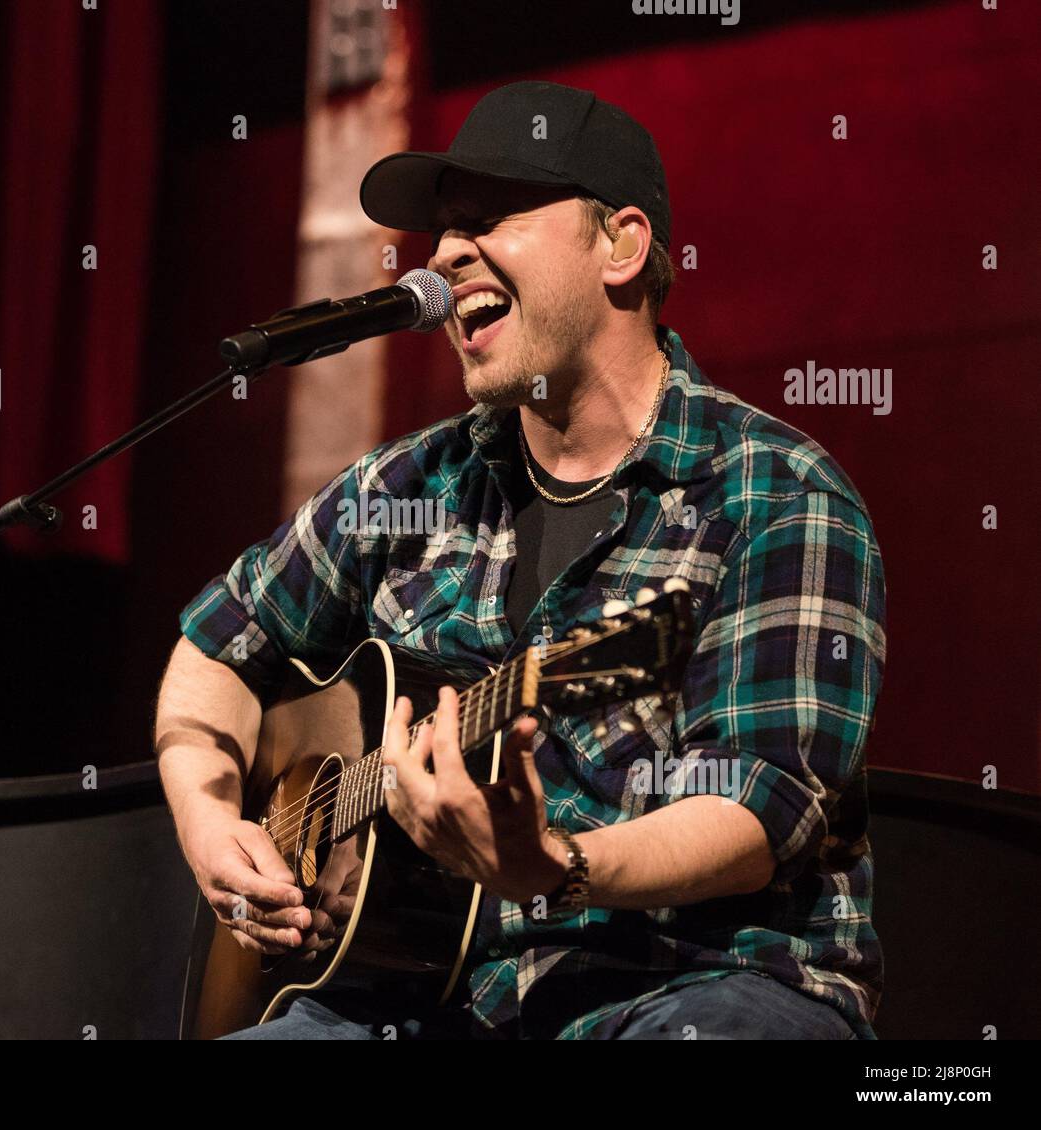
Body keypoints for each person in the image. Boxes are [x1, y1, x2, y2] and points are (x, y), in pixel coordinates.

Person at [155, 81, 885, 1040]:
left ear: (621, 245)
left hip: (686, 983)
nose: (444, 253)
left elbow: (757, 811)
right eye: (442, 231)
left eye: (488, 218)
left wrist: (555, 866)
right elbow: (214, 648)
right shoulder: (410, 485)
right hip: (407, 1000)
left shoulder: (774, 493)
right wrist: (213, 830)